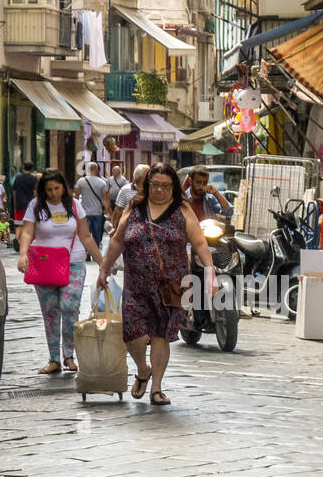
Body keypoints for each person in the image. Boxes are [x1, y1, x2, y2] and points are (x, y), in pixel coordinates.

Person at [97, 163, 215, 406]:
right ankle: (142, 370)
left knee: (161, 335)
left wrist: (211, 271)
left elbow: (200, 243)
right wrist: (104, 268)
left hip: (170, 286)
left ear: (174, 187)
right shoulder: (135, 206)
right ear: (147, 185)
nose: (160, 190)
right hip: (136, 285)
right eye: (155, 185)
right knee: (133, 334)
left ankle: (157, 388)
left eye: (165, 186)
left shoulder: (181, 209)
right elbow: (119, 240)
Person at [17, 169, 106, 374]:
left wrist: (103, 262)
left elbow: (85, 236)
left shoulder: (75, 205)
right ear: (43, 190)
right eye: (49, 189)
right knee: (50, 312)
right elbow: (28, 231)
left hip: (73, 262)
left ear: (64, 187)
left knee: (69, 306)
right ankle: (54, 359)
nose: (53, 193)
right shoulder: (36, 206)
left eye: (57, 188)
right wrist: (23, 254)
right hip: (44, 265)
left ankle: (69, 355)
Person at [76, 161, 111, 247]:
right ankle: (95, 252)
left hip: (84, 213)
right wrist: (108, 212)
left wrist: (76, 211)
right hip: (97, 212)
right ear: (97, 170)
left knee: (85, 235)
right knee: (97, 235)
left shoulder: (81, 181)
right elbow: (105, 199)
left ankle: (86, 251)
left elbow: (76, 197)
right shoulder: (102, 182)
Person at [110, 163, 148, 235]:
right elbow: (118, 211)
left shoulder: (151, 190)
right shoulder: (125, 190)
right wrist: (115, 228)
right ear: (140, 177)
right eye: (148, 175)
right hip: (129, 230)